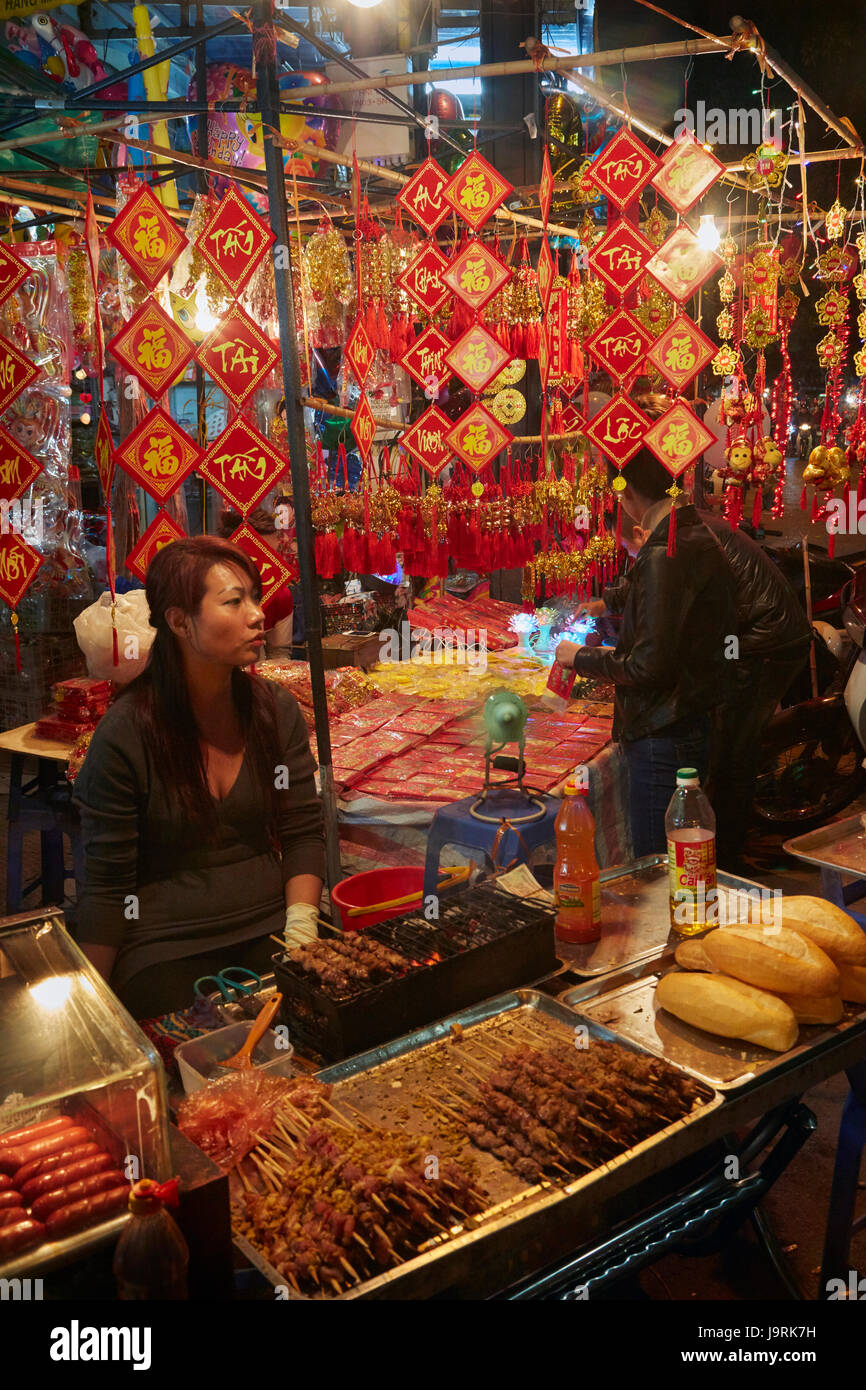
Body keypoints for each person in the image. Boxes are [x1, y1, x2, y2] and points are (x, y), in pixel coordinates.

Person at [73, 536, 325, 1017]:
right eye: (234, 601)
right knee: (197, 1043)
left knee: (313, 1026)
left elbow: (301, 830)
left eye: (254, 596)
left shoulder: (275, 712)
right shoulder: (126, 734)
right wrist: (89, 1011)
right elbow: (107, 887)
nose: (258, 615)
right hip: (165, 944)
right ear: (179, 621)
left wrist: (302, 929)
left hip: (269, 925)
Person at [556, 448, 737, 857]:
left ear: (629, 493)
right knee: (682, 859)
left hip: (663, 731)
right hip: (687, 720)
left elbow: (647, 665)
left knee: (658, 864)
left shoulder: (664, 552)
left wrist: (579, 657)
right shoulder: (692, 534)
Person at [699, 513, 811, 867]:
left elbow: (721, 618)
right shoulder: (691, 525)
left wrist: (724, 656)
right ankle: (726, 849)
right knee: (732, 747)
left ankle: (727, 859)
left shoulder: (690, 537)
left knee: (733, 751)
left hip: (766, 643)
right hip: (759, 637)